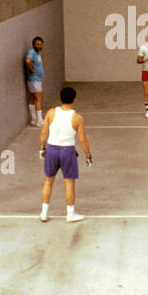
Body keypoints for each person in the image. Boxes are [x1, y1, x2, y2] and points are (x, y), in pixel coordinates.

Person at [39, 86, 92, 222]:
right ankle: (70, 214)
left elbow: (44, 132)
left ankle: (44, 213)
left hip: (51, 150)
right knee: (69, 182)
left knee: (48, 181)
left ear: (60, 98)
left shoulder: (51, 113)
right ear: (74, 99)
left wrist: (42, 148)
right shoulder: (77, 118)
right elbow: (82, 140)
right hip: (67, 151)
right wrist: (88, 156)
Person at [24, 36, 45, 126]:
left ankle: (33, 119)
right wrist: (32, 70)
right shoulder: (31, 52)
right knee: (39, 99)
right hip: (35, 80)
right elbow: (28, 61)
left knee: (33, 97)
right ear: (33, 45)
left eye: (41, 44)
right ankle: (39, 121)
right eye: (37, 44)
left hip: (36, 80)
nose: (39, 46)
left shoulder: (37, 53)